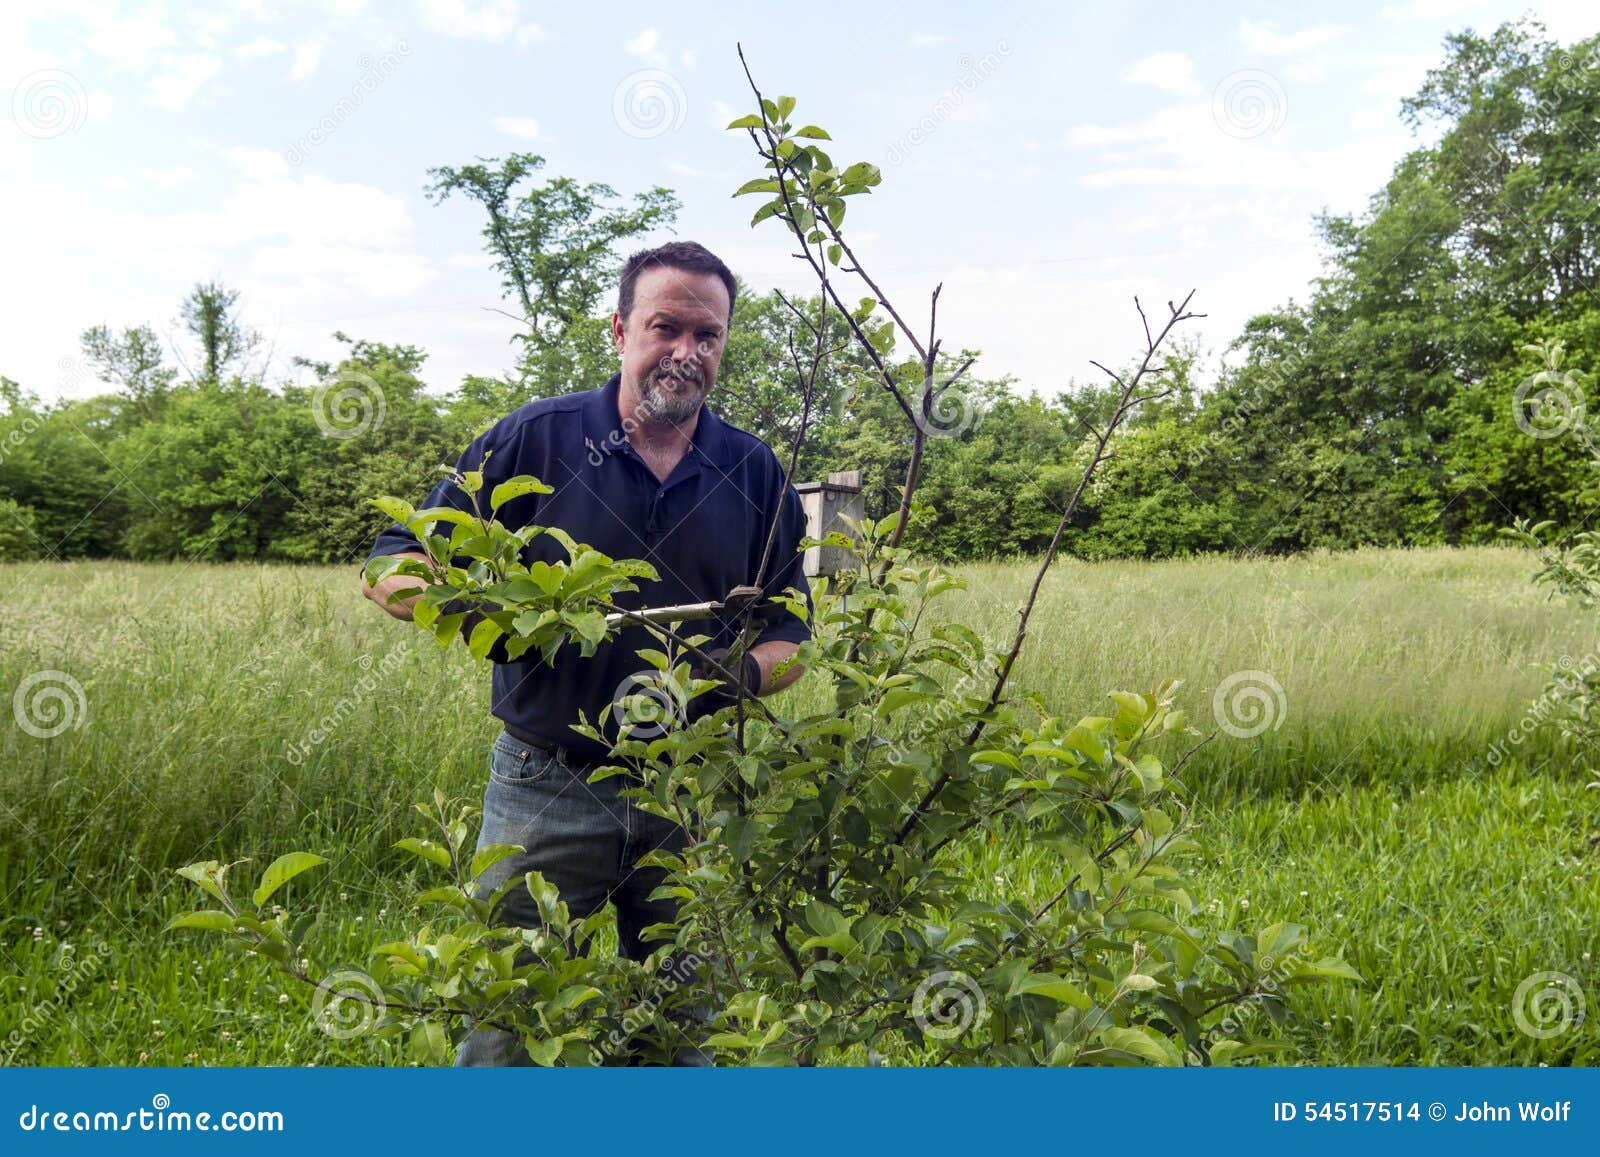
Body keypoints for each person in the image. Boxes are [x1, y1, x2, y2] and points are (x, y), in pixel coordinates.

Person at [359, 241, 812, 1065]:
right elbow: (392, 563)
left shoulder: (754, 472)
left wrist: (738, 674)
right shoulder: (534, 441)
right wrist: (481, 615)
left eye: (706, 335)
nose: (686, 352)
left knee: (683, 1035)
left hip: (688, 791)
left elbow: (791, 636)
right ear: (619, 329)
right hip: (547, 783)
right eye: (664, 327)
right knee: (508, 1025)